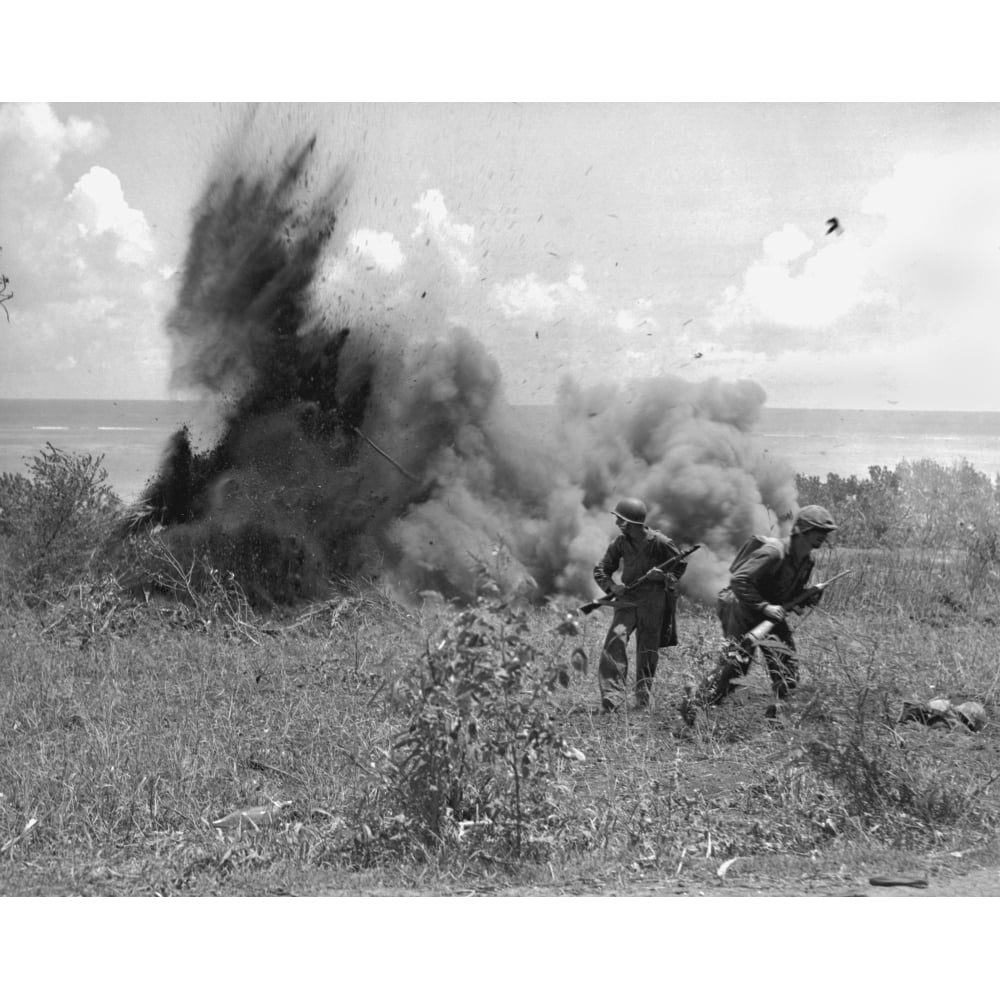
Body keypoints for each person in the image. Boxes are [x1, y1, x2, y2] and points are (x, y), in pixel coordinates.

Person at [686, 504, 837, 721]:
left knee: (787, 668)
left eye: (825, 532)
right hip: (739, 605)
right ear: (802, 530)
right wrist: (765, 607)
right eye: (818, 530)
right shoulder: (774, 553)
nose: (823, 536)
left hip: (769, 611)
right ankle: (696, 707)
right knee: (735, 666)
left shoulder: (807, 560)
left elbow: (788, 596)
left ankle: (777, 720)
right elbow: (739, 580)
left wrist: (807, 596)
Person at [593, 498, 688, 712]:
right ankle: (612, 699)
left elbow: (679, 565)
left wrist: (662, 576)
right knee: (614, 642)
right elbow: (601, 569)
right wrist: (612, 587)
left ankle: (642, 700)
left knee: (647, 650)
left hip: (653, 602)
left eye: (620, 519)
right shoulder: (620, 543)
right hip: (627, 600)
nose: (617, 523)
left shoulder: (661, 542)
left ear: (631, 522)